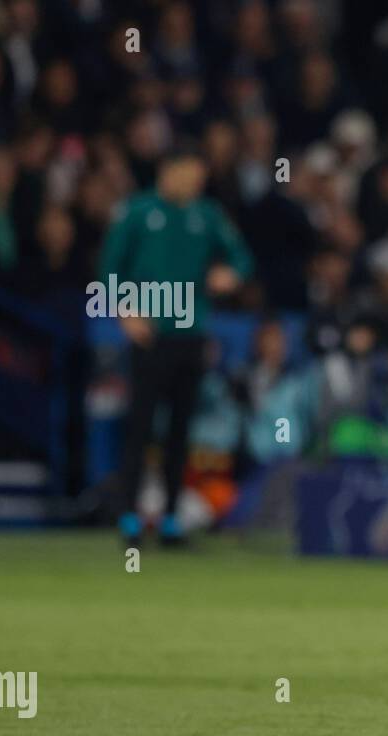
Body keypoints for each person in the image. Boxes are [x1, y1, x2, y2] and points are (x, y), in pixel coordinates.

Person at [102, 145, 254, 546]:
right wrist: (125, 312)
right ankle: (129, 518)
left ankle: (171, 519)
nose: (197, 182)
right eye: (190, 173)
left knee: (180, 431)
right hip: (150, 335)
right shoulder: (138, 211)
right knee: (139, 429)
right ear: (169, 171)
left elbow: (241, 259)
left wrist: (230, 274)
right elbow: (109, 267)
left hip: (190, 334)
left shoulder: (206, 216)